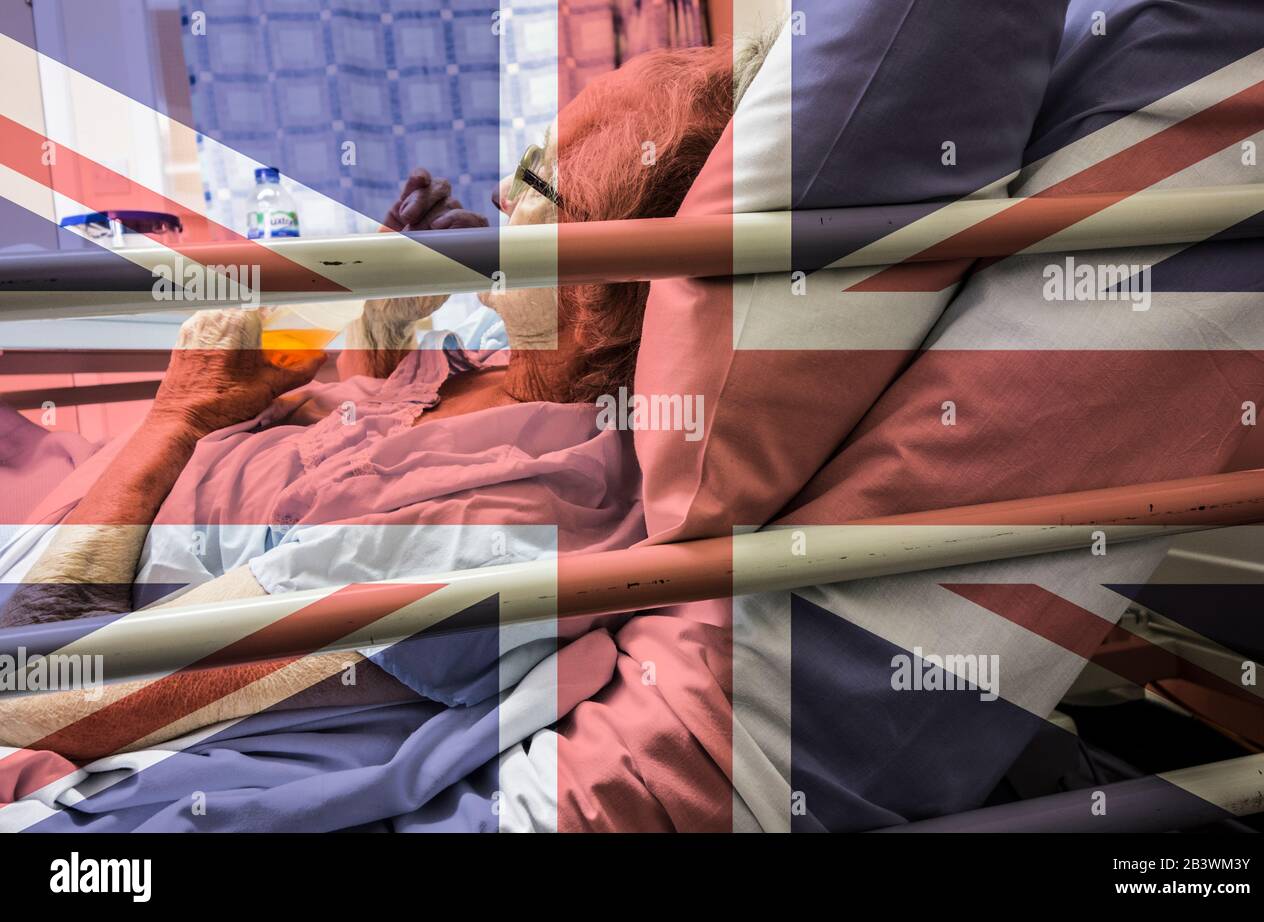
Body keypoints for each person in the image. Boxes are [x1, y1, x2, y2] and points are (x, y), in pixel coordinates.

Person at [0, 37, 775, 759]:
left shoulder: (500, 522)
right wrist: (389, 310)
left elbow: (53, 695)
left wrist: (174, 419)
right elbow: (369, 433)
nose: (501, 193)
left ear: (611, 286)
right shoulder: (507, 361)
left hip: (46, 566)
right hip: (59, 491)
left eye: (538, 181)